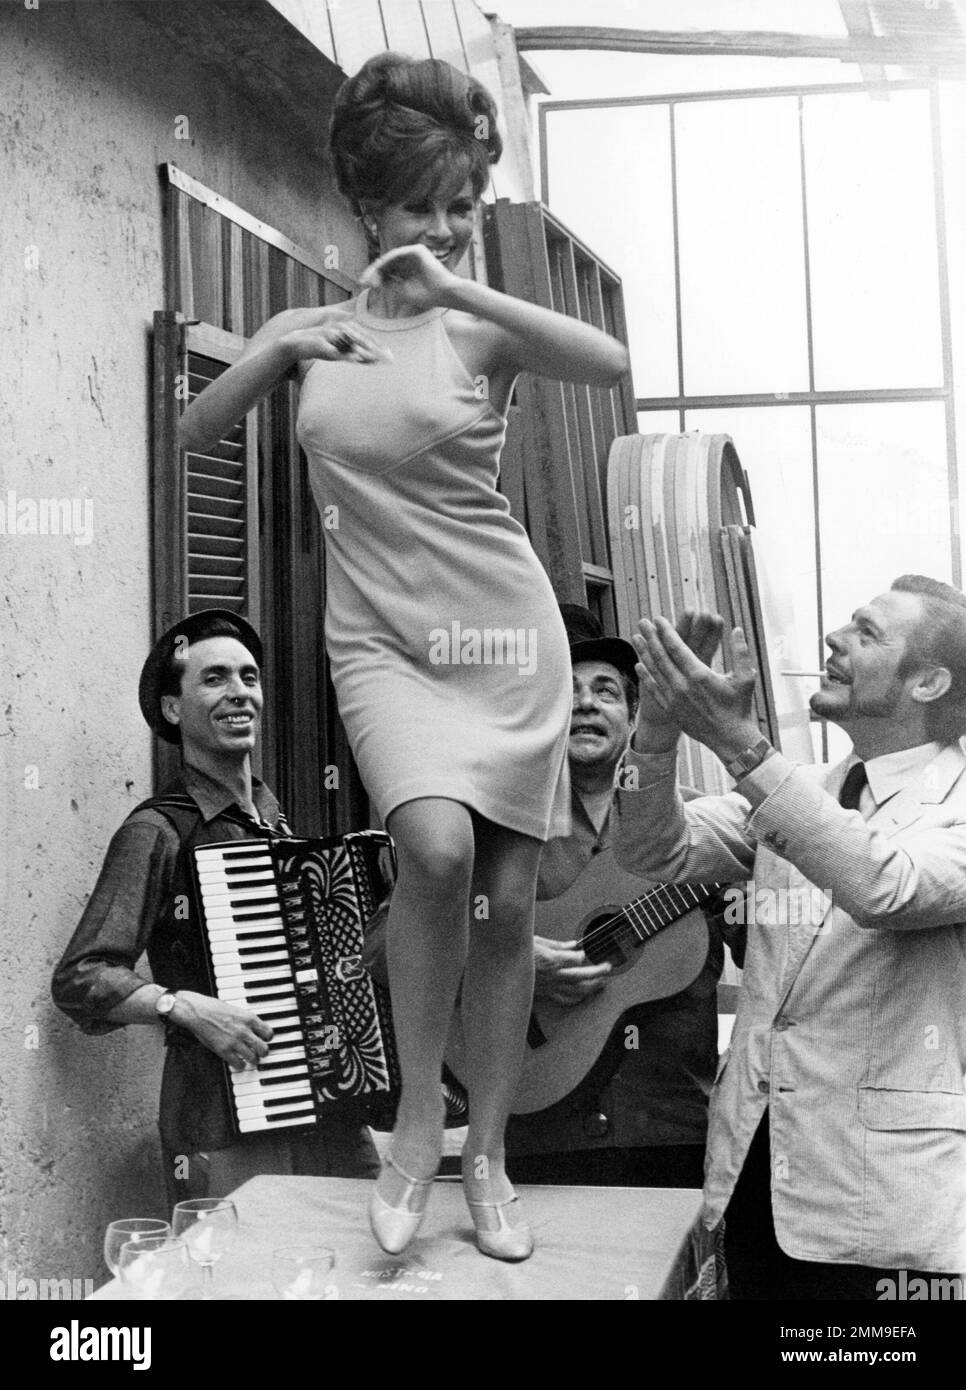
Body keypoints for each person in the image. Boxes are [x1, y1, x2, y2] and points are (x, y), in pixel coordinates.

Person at [176, 53, 629, 1261]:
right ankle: (421, 1112)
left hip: (502, 632)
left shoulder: (480, 333)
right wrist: (273, 342)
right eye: (420, 205)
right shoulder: (311, 334)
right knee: (431, 848)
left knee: (510, 897)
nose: (443, 229)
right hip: (379, 641)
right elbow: (194, 429)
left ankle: (488, 1153)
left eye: (462, 207)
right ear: (365, 209)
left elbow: (609, 364)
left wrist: (460, 287)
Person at [615, 575, 966, 1299]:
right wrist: (656, 728)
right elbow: (652, 853)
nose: (836, 638)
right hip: (755, 1179)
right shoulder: (802, 786)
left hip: (887, 1214)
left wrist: (739, 743)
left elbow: (884, 886)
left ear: (930, 682)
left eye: (867, 632)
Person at [51, 609, 379, 1204]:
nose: (239, 694)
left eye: (249, 678)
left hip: (332, 1115)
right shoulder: (157, 831)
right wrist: (184, 1006)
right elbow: (81, 978)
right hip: (222, 1127)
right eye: (215, 678)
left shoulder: (281, 828)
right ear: (174, 710)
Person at [504, 606, 743, 1189]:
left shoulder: (706, 829)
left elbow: (779, 953)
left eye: (606, 691)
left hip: (671, 1131)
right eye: (568, 691)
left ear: (637, 716)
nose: (585, 704)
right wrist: (509, 961)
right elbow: (389, 947)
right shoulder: (500, 831)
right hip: (539, 1126)